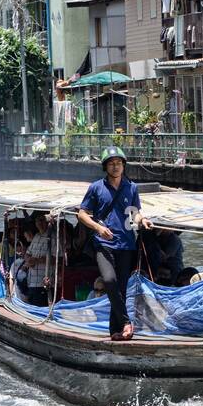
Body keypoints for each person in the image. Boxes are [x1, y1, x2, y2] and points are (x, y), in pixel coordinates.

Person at [76, 146, 149, 340]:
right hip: (103, 243)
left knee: (121, 289)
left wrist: (142, 220)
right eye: (111, 164)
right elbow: (82, 214)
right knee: (109, 281)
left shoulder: (131, 188)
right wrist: (98, 228)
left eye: (118, 163)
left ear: (124, 166)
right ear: (105, 167)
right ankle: (126, 322)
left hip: (126, 245)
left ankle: (116, 332)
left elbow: (135, 212)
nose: (115, 167)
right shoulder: (96, 188)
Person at [22, 213, 55, 305]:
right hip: (32, 282)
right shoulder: (36, 236)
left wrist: (37, 260)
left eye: (42, 220)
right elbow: (28, 253)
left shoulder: (53, 237)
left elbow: (58, 260)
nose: (40, 223)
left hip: (44, 283)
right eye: (38, 221)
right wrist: (29, 260)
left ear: (47, 222)